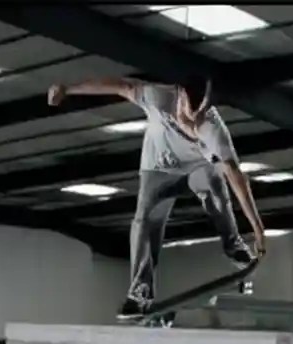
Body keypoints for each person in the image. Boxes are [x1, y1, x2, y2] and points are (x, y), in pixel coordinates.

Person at [47, 75, 267, 320]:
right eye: (187, 114)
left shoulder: (213, 128)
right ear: (180, 96)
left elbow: (238, 178)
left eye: (199, 116)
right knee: (143, 221)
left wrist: (258, 229)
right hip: (158, 169)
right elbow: (121, 85)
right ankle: (141, 291)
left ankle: (233, 244)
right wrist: (68, 88)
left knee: (216, 185)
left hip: (197, 167)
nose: (193, 123)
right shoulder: (158, 97)